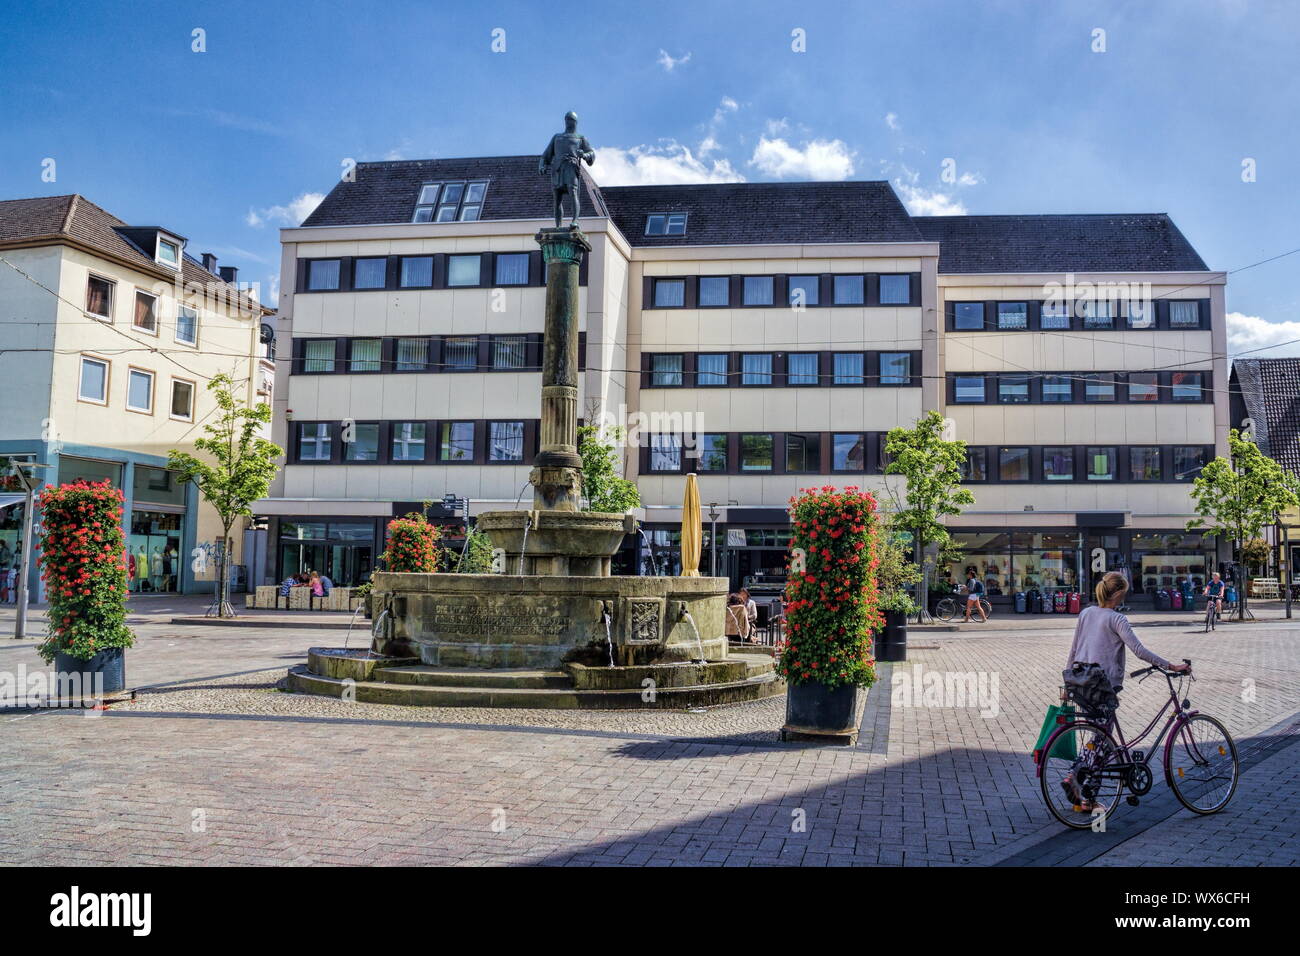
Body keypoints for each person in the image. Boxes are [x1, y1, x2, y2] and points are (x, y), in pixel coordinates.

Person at [1060, 571, 1190, 810]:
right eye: (1125, 592)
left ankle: (1079, 788)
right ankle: (1082, 789)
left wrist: (1067, 681)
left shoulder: (1086, 613)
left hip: (1080, 682)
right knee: (1102, 740)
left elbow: (1074, 648)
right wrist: (1171, 666)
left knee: (1098, 735)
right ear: (1118, 593)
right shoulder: (1117, 619)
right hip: (1103, 684)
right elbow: (1139, 651)